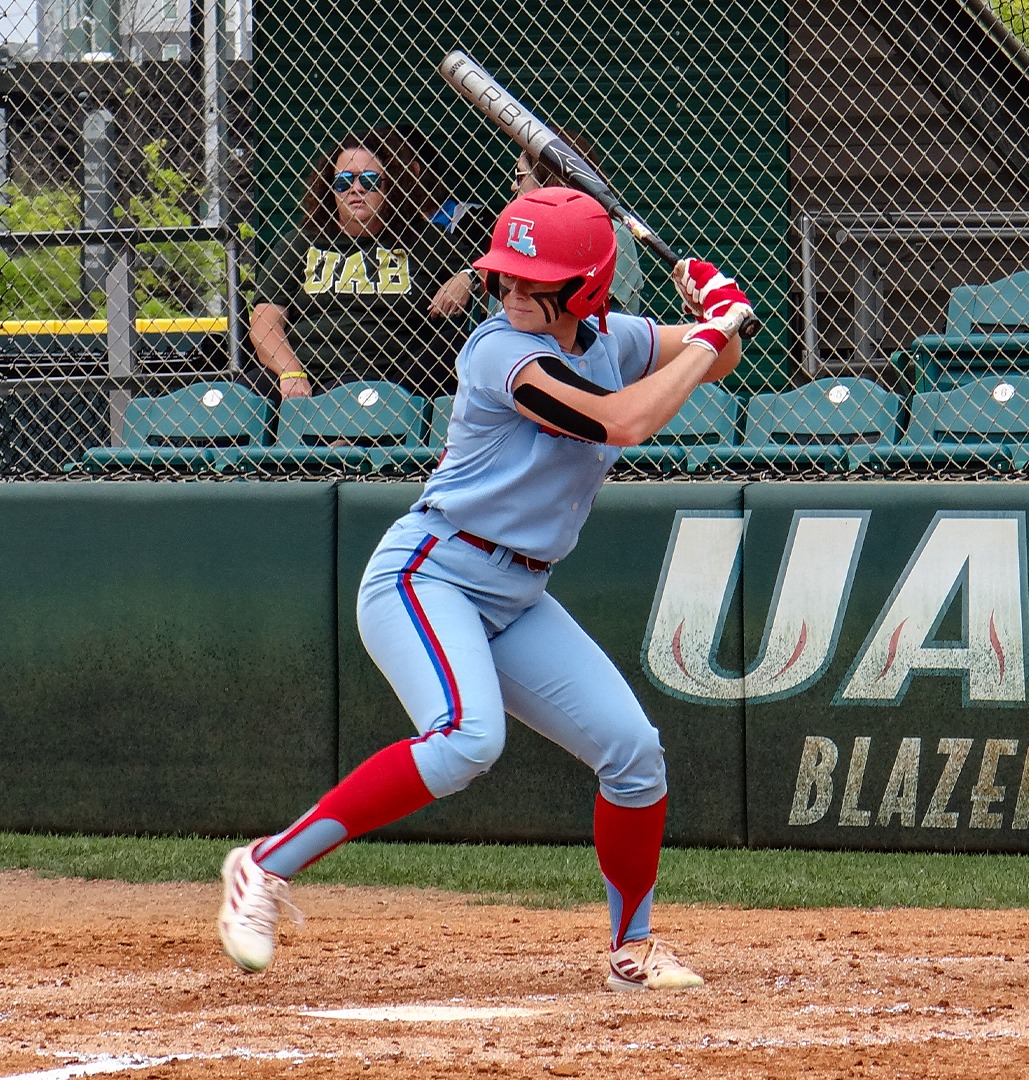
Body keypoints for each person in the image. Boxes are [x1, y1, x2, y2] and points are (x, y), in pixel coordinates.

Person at [216, 187, 752, 991]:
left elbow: (712, 358)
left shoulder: (617, 338)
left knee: (634, 755)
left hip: (518, 596)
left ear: (586, 289)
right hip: (430, 574)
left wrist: (722, 313)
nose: (509, 291)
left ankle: (630, 952)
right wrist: (713, 330)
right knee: (468, 738)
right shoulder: (500, 352)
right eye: (504, 276)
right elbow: (624, 423)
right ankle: (264, 866)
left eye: (531, 281)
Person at [248, 126, 480, 401]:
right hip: (302, 374)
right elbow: (264, 322)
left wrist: (468, 275)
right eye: (344, 182)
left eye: (369, 180)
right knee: (231, 400)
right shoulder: (301, 241)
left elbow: (497, 266)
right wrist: (290, 372)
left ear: (391, 184)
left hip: (383, 381)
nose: (355, 189)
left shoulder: (422, 239)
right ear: (330, 188)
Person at [432, 128, 645, 318]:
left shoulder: (610, 235)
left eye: (519, 176)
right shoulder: (522, 232)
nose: (513, 187)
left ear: (550, 178)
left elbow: (568, 317)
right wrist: (471, 276)